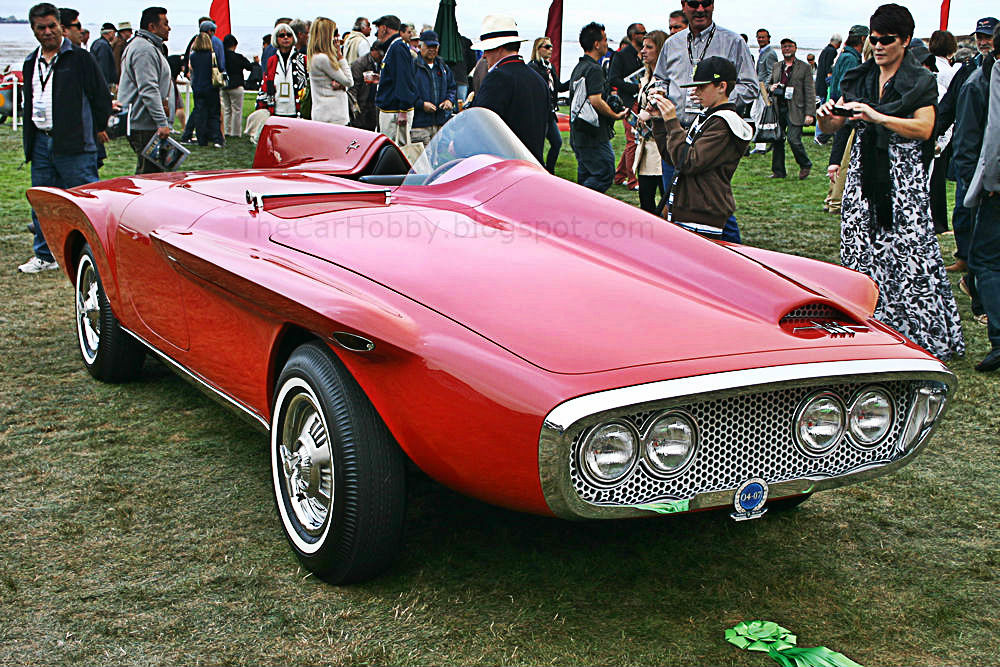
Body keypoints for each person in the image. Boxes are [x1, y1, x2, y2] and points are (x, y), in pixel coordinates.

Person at [818, 3, 964, 362]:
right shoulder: (861, 77)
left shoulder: (920, 80)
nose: (879, 45)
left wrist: (878, 117)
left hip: (903, 179)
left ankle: (919, 334)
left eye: (887, 39)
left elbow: (925, 127)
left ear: (906, 41)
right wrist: (827, 118)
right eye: (874, 38)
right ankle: (867, 329)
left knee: (909, 253)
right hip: (864, 175)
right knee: (861, 250)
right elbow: (835, 127)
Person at [653, 0, 758, 241]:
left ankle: (735, 259)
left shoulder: (733, 42)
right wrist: (658, 99)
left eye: (706, 3)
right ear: (684, 5)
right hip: (678, 132)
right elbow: (660, 80)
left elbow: (750, 86)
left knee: (708, 204)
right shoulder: (672, 43)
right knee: (679, 203)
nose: (700, 9)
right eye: (693, 3)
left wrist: (718, 106)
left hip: (712, 132)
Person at [19, 2, 111, 274]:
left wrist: (95, 129)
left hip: (75, 144)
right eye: (41, 28)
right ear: (33, 30)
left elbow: (101, 97)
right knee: (43, 202)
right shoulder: (30, 62)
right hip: (40, 142)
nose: (47, 32)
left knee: (84, 200)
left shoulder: (80, 59)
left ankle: (97, 253)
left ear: (60, 26)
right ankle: (45, 255)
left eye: (52, 26)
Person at [649, 56, 752, 239]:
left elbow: (688, 162)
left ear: (722, 87)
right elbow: (672, 157)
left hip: (701, 215)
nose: (695, 91)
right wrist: (659, 121)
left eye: (702, 86)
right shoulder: (707, 117)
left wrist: (672, 122)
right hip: (687, 211)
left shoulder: (724, 123)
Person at [951, 34, 995, 325]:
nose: (984, 41)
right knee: (983, 252)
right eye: (980, 37)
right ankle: (981, 305)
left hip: (992, 177)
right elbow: (966, 141)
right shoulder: (976, 83)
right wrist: (972, 183)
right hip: (983, 182)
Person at [964, 29, 1000, 371]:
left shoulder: (993, 74)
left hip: (997, 186)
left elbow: (995, 132)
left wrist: (990, 180)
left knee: (985, 260)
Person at [469, 15, 549, 163]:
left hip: (505, 170)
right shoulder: (538, 79)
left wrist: (456, 143)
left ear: (499, 48)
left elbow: (479, 126)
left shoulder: (497, 78)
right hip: (534, 168)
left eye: (487, 49)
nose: (484, 55)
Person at [569, 22, 629, 192]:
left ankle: (580, 210)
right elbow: (595, 100)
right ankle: (578, 202)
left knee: (586, 174)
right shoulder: (594, 69)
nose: (606, 44)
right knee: (604, 173)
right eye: (604, 40)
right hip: (593, 134)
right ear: (596, 44)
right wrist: (614, 115)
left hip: (579, 133)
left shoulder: (580, 67)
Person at [117, 7, 173, 174]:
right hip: (144, 123)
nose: (169, 28)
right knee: (150, 174)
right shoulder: (144, 49)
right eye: (165, 24)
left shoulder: (146, 46)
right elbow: (148, 88)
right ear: (152, 27)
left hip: (146, 122)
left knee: (151, 172)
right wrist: (161, 122)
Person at [768, 38, 814, 180]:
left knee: (793, 139)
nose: (786, 49)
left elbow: (810, 91)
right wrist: (771, 88)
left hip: (796, 109)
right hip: (778, 107)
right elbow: (769, 84)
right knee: (777, 140)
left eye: (789, 46)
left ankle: (805, 164)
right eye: (784, 47)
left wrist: (810, 113)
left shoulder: (804, 67)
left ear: (795, 48)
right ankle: (778, 171)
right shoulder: (777, 66)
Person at [632, 30, 668, 213]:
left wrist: (650, 114)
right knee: (645, 199)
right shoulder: (646, 78)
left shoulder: (667, 79)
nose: (643, 51)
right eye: (642, 47)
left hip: (662, 147)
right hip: (646, 144)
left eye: (649, 47)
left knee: (665, 199)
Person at [608, 22, 645, 190]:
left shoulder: (645, 53)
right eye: (640, 33)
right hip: (628, 102)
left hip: (643, 102)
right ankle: (632, 180)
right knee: (633, 140)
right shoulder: (621, 56)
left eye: (645, 32)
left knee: (636, 139)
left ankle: (619, 175)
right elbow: (613, 79)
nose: (644, 35)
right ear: (632, 36)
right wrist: (633, 87)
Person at [373, 14, 417, 146]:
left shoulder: (398, 48)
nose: (377, 33)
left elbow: (403, 80)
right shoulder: (394, 47)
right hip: (392, 109)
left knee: (395, 149)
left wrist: (403, 111)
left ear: (385, 28)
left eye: (378, 28)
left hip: (395, 111)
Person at [528, 36, 568, 173]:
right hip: (539, 113)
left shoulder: (550, 68)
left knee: (557, 143)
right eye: (547, 47)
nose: (551, 49)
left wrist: (575, 79)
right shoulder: (532, 67)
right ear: (538, 49)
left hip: (550, 113)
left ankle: (549, 171)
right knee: (537, 146)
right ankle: (538, 171)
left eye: (551, 46)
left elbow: (559, 87)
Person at [411, 30, 455, 145]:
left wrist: (449, 100)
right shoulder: (413, 67)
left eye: (435, 46)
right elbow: (407, 92)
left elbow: (452, 87)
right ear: (421, 46)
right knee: (422, 160)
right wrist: (421, 104)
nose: (432, 49)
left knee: (437, 160)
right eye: (429, 46)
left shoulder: (443, 66)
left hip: (439, 122)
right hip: (419, 124)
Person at [308, 18, 353, 126]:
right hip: (333, 116)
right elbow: (349, 81)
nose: (337, 37)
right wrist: (340, 55)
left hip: (323, 114)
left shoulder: (314, 57)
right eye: (335, 32)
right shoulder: (323, 59)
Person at [257, 23, 306, 117]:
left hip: (297, 113)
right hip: (276, 112)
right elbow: (265, 86)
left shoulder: (302, 60)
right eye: (282, 35)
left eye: (289, 35)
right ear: (276, 39)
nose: (286, 37)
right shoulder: (271, 61)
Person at [187, 29, 224, 146]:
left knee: (200, 114)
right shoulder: (212, 55)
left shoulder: (193, 57)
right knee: (214, 114)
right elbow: (220, 67)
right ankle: (217, 139)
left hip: (198, 87)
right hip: (211, 88)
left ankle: (201, 139)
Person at [222, 34, 252, 137]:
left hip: (224, 86)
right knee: (237, 110)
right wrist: (256, 63)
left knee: (227, 109)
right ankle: (235, 132)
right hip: (236, 85)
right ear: (234, 45)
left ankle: (226, 130)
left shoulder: (221, 57)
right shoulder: (238, 57)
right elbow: (249, 67)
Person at [349, 40, 383, 130]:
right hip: (361, 105)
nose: (381, 56)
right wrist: (355, 108)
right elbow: (354, 87)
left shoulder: (381, 64)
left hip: (373, 106)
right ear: (373, 51)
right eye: (380, 54)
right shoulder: (359, 64)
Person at [815, 32, 841, 102]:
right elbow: (829, 67)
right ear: (839, 43)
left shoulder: (825, 50)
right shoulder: (832, 51)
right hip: (824, 84)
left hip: (819, 81)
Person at [90, 22, 117, 87]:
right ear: (110, 33)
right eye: (114, 33)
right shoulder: (103, 45)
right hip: (102, 83)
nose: (114, 35)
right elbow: (103, 67)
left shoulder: (96, 43)